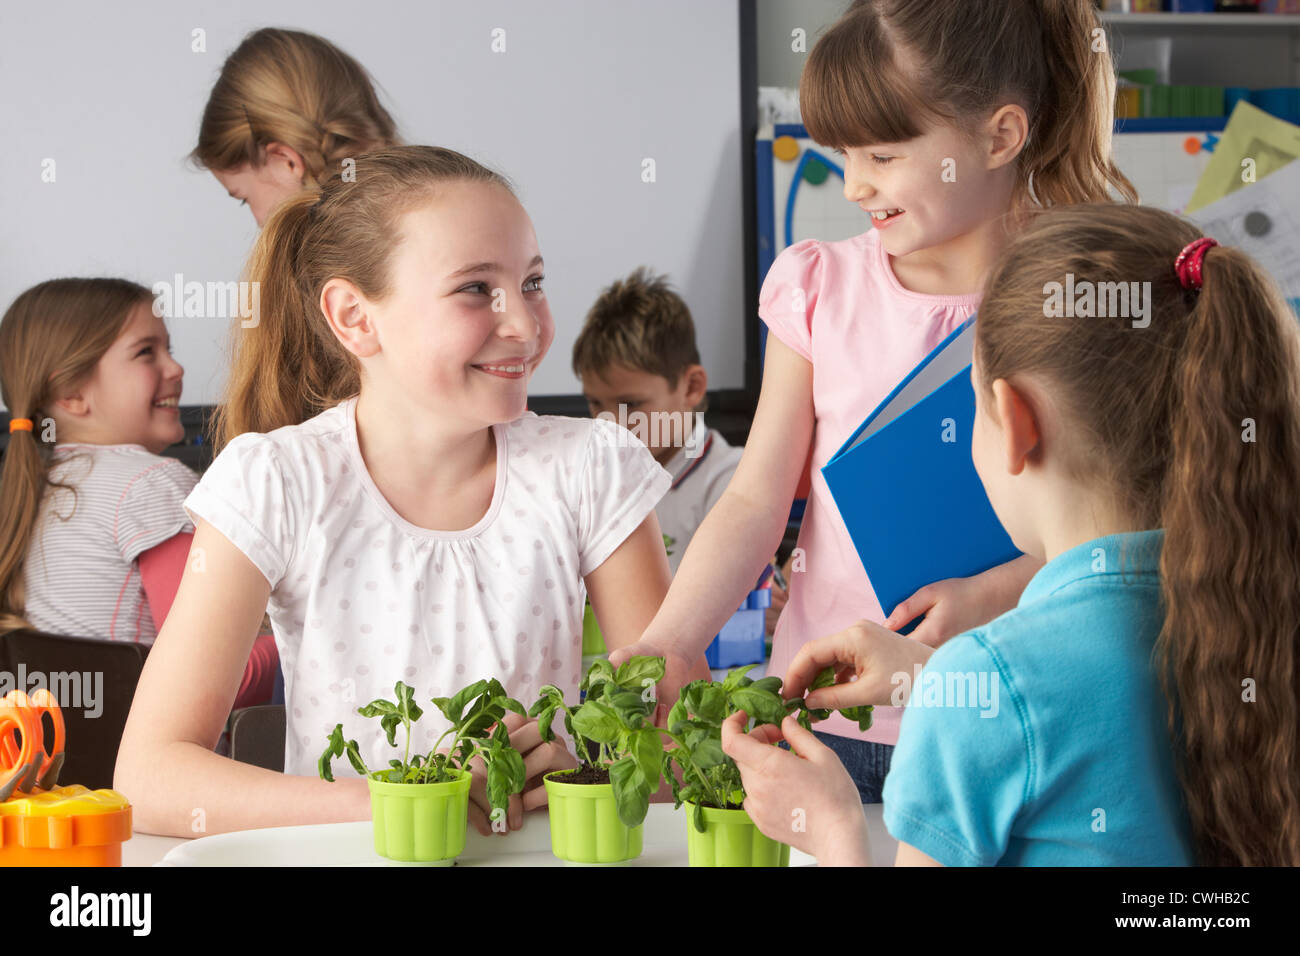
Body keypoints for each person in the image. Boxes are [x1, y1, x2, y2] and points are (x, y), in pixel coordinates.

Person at [613, 0, 1136, 801]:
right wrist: (673, 643)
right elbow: (755, 497)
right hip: (829, 721)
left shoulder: (1076, 296)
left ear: (999, 137)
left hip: (1010, 721)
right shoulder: (817, 286)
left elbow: (1126, 527)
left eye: (884, 155)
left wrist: (991, 594)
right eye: (845, 153)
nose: (856, 183)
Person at [116, 146, 709, 839]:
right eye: (475, 289)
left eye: (533, 282)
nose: (523, 322)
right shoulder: (276, 481)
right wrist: (411, 802)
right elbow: (151, 774)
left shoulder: (592, 466)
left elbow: (680, 754)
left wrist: (590, 775)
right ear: (354, 317)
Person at [723, 204, 1300, 867]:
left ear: (1014, 421)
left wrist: (831, 830)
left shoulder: (992, 683)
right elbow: (1085, 706)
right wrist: (946, 682)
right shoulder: (1258, 623)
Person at [0, 279, 276, 709]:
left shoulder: (34, 486)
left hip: (55, 768)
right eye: (146, 352)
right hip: (140, 768)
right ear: (72, 393)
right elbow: (216, 683)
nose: (176, 368)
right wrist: (299, 634)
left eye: (168, 348)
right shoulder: (151, 484)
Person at [573, 267, 744, 575]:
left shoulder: (735, 482)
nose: (609, 425)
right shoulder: (588, 479)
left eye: (631, 405)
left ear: (691, 387)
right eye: (596, 403)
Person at [190, 26, 401, 228]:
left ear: (287, 162)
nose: (258, 222)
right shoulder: (427, 205)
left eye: (245, 199)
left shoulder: (324, 261)